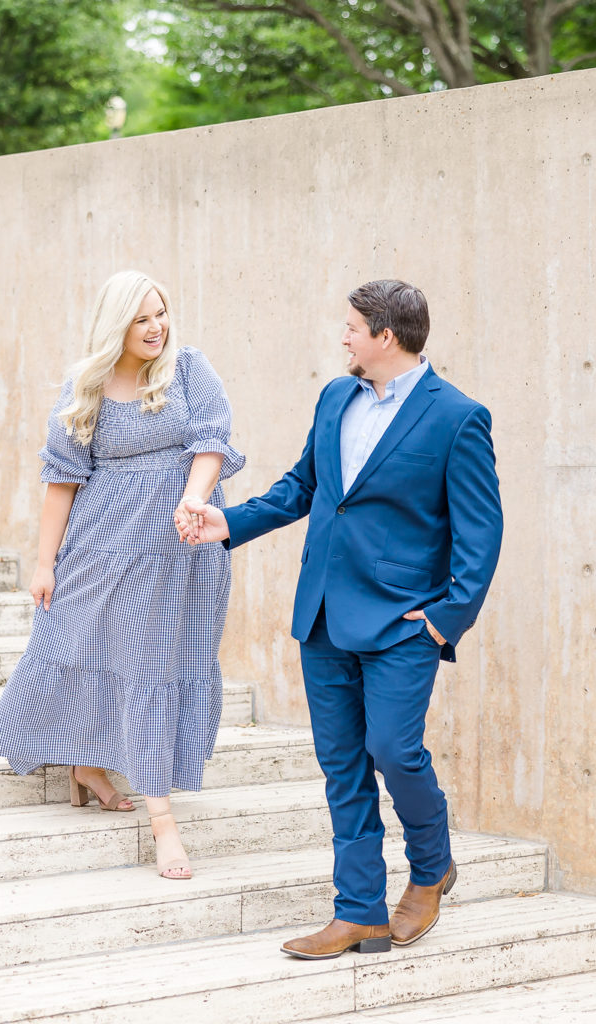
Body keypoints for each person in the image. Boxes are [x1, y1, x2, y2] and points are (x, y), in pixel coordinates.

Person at [178, 279, 502, 956]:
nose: (344, 337)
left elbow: (481, 533)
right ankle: (359, 910)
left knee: (393, 749)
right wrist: (227, 522)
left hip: (403, 623)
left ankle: (431, 861)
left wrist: (446, 619)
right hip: (323, 612)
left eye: (353, 327)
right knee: (341, 764)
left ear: (386, 337)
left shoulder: (458, 417)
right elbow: (304, 487)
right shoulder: (334, 397)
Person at [0, 270, 244, 880]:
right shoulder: (86, 386)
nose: (157, 328)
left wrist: (195, 499)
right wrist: (44, 563)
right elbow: (61, 480)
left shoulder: (190, 369)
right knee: (84, 648)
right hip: (103, 542)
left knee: (160, 666)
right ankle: (142, 809)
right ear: (116, 325)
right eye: (142, 318)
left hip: (183, 543)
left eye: (162, 314)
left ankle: (118, 786)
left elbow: (212, 440)